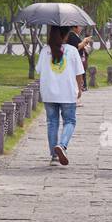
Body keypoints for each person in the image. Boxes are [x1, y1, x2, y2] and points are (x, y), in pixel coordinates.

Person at [35, 26, 85, 166]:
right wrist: (79, 89)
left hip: (49, 93)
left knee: (52, 122)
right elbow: (79, 73)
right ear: (66, 35)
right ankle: (62, 146)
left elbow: (38, 70)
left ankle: (54, 157)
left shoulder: (45, 50)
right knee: (70, 121)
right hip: (67, 92)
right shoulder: (72, 50)